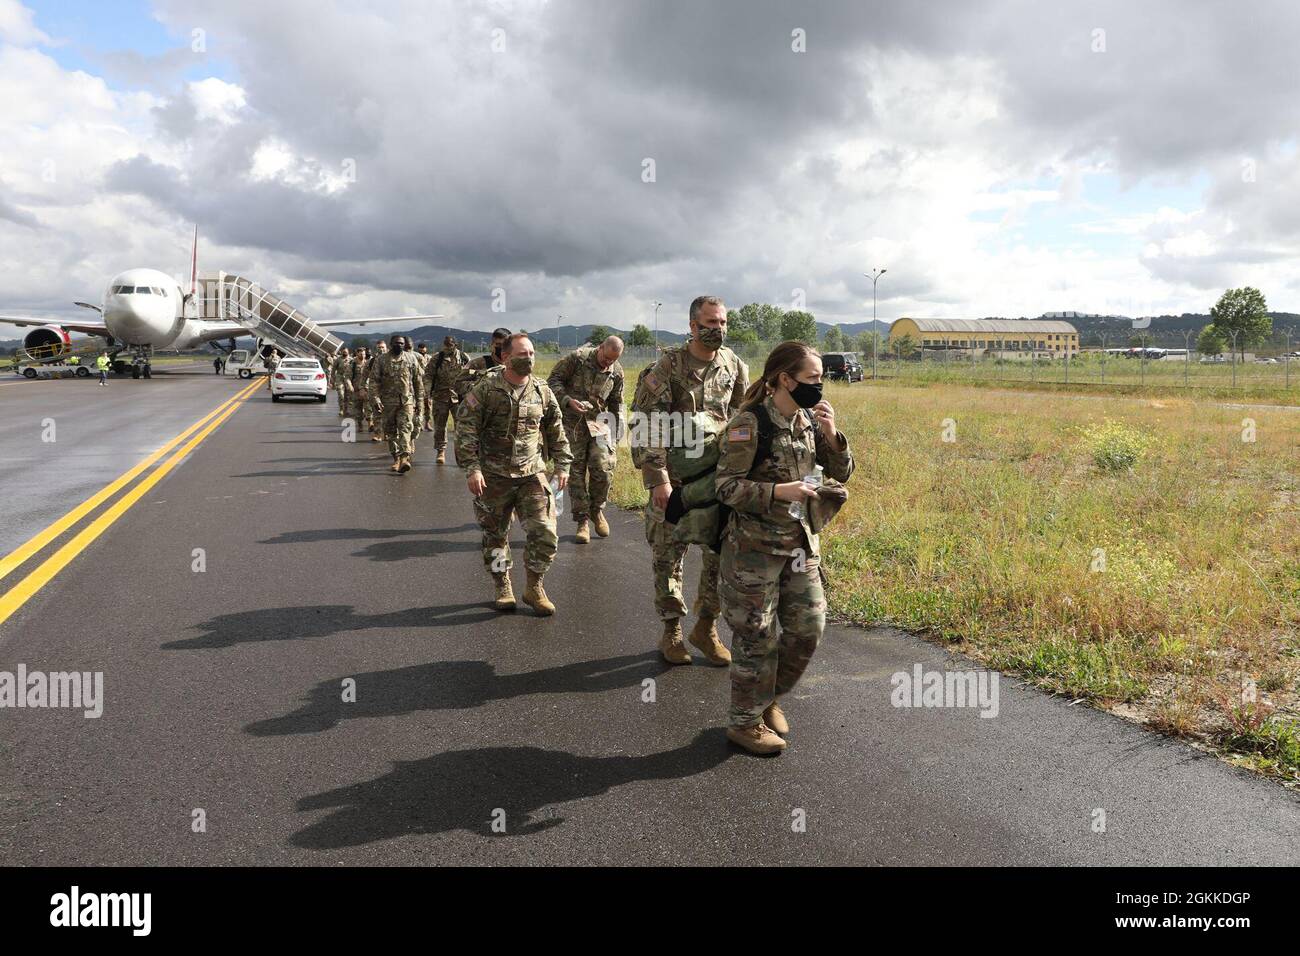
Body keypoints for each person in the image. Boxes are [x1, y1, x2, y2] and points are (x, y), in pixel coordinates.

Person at [714, 341, 854, 755]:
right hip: (753, 552)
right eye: (812, 379)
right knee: (755, 637)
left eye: (821, 379)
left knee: (808, 630)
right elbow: (725, 487)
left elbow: (842, 472)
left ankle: (766, 697)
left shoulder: (810, 420)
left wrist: (833, 435)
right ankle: (744, 724)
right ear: (785, 379)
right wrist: (779, 491)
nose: (820, 386)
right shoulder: (749, 424)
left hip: (800, 545)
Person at [632, 295, 748, 666]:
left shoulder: (734, 366)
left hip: (716, 481)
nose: (718, 330)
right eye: (710, 323)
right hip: (677, 481)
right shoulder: (667, 367)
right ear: (692, 326)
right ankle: (672, 631)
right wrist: (658, 480)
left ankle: (706, 627)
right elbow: (647, 426)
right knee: (669, 555)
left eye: (723, 323)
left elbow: (741, 418)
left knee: (718, 556)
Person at [457, 333, 571, 616]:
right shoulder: (486, 388)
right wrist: (472, 468)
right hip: (493, 476)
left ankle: (534, 586)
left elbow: (556, 429)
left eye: (532, 353)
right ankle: (502, 585)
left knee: (544, 532)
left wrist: (563, 464)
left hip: (532, 473)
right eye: (522, 354)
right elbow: (466, 427)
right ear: (506, 357)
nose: (529, 358)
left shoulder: (542, 390)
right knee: (495, 535)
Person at [547, 335, 624, 543]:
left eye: (613, 360)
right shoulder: (577, 359)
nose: (608, 364)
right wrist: (567, 400)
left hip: (599, 424)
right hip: (572, 424)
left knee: (603, 468)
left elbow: (617, 403)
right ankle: (582, 521)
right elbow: (552, 381)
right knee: (575, 472)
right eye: (606, 359)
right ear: (600, 348)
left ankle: (597, 511)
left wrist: (617, 432)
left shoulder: (616, 372)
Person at [373, 334, 427, 474]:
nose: (400, 345)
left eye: (402, 343)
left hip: (406, 401)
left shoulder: (411, 359)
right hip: (388, 403)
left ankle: (404, 458)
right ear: (391, 344)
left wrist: (420, 402)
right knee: (391, 432)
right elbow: (374, 381)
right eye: (397, 343)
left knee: (405, 428)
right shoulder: (381, 360)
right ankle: (396, 458)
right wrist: (376, 399)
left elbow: (418, 382)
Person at [428, 336, 469, 464]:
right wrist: (427, 392)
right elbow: (428, 375)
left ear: (455, 345)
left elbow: (472, 375)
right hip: (440, 397)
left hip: (459, 398)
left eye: (449, 346)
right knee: (440, 426)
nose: (446, 348)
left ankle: (460, 453)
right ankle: (441, 451)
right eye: (445, 346)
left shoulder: (464, 357)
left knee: (461, 427)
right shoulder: (437, 358)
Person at [454, 327, 509, 401]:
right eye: (498, 345)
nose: (502, 348)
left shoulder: (514, 365)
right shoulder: (477, 364)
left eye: (505, 345)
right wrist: (480, 387)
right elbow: (458, 384)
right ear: (492, 345)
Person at [366, 339, 388, 441]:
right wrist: (362, 387)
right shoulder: (371, 361)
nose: (381, 349)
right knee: (377, 412)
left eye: (383, 347)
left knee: (389, 413)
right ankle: (378, 434)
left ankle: (387, 433)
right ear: (376, 349)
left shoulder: (391, 360)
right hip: (376, 391)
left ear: (386, 348)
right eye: (379, 347)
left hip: (389, 391)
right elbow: (364, 375)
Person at [332, 347, 352, 417]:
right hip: (340, 378)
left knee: (348, 395)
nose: (344, 353)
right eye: (343, 352)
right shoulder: (338, 359)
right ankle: (341, 409)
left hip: (348, 379)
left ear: (348, 352)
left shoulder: (352, 360)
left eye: (346, 352)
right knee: (341, 394)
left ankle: (346, 410)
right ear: (341, 352)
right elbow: (333, 369)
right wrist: (332, 380)